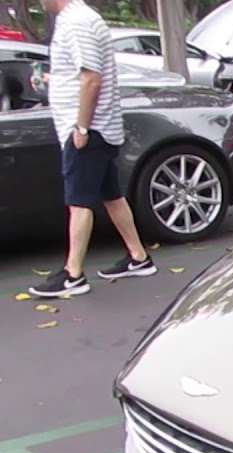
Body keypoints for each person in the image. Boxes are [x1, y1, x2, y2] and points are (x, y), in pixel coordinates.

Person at [29, 0, 155, 299]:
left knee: (79, 201)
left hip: (88, 129)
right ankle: (139, 257)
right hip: (95, 127)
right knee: (111, 195)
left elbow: (91, 78)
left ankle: (73, 274)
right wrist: (53, 80)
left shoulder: (78, 22)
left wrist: (82, 127)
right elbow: (80, 73)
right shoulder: (77, 19)